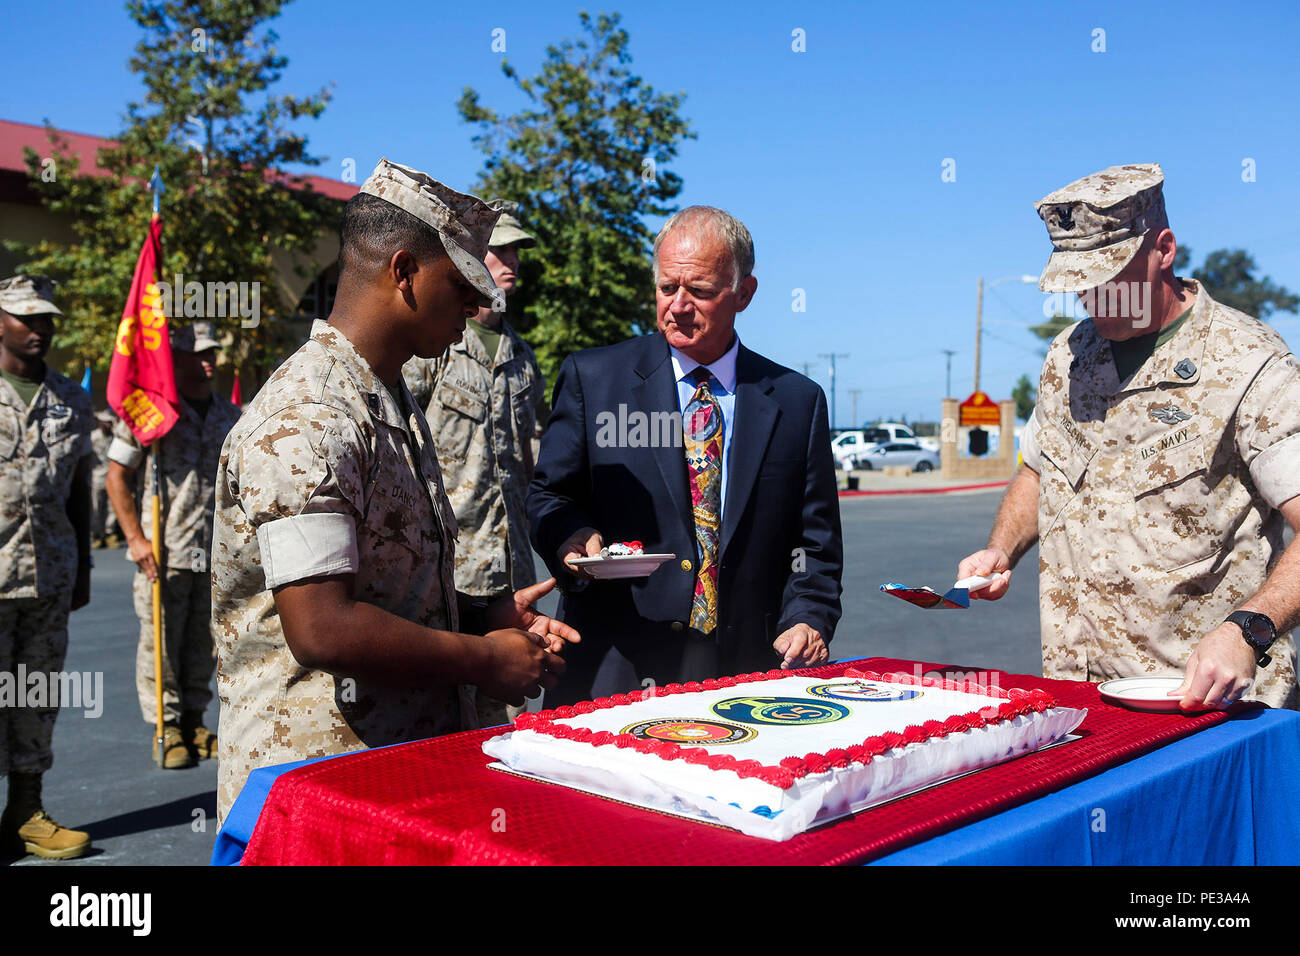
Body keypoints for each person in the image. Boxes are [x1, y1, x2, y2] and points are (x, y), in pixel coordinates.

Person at [210, 159, 578, 821]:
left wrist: (481, 618)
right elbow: (322, 627)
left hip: (384, 770)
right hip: (314, 786)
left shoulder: (386, 395)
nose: (475, 302)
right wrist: (482, 660)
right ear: (403, 271)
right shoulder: (311, 415)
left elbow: (377, 581)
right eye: (458, 282)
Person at [958, 163, 1300, 711]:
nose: (1094, 297)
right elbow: (1040, 470)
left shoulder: (1249, 361)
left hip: (1210, 705)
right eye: (1080, 283)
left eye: (1110, 275)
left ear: (1163, 249)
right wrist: (1000, 551)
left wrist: (1248, 632)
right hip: (1079, 699)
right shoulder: (1068, 357)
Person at [528, 205, 843, 704]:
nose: (677, 305)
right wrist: (570, 536)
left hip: (748, 669)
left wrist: (809, 618)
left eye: (698, 291)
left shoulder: (796, 401)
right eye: (666, 287)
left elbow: (816, 543)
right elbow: (549, 496)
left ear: (744, 293)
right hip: (616, 666)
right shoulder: (595, 379)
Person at [402, 201, 547, 724]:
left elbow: (526, 459)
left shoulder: (523, 356)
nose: (510, 262)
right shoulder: (439, 345)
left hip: (511, 566)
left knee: (503, 707)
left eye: (515, 251)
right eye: (498, 250)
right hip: (452, 563)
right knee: (447, 705)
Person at [105, 321, 240, 768]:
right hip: (165, 554)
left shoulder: (230, 415)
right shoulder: (152, 414)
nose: (208, 361)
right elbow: (116, 476)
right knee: (160, 643)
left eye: (212, 352)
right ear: (173, 359)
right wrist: (136, 538)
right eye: (197, 353)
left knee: (205, 644)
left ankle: (197, 722)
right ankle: (167, 728)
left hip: (214, 554)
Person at [0, 274, 93, 860]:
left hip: (49, 576)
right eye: (24, 317)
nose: (39, 328)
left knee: (34, 697)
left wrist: (82, 566)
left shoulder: (72, 397)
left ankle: (26, 810)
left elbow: (80, 488)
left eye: (45, 318)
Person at [89, 409, 122, 548]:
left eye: (110, 422)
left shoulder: (116, 437)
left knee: (112, 507)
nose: (108, 425)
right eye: (105, 422)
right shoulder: (93, 437)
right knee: (96, 508)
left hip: (112, 476)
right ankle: (97, 534)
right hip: (97, 477)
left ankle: (110, 533)